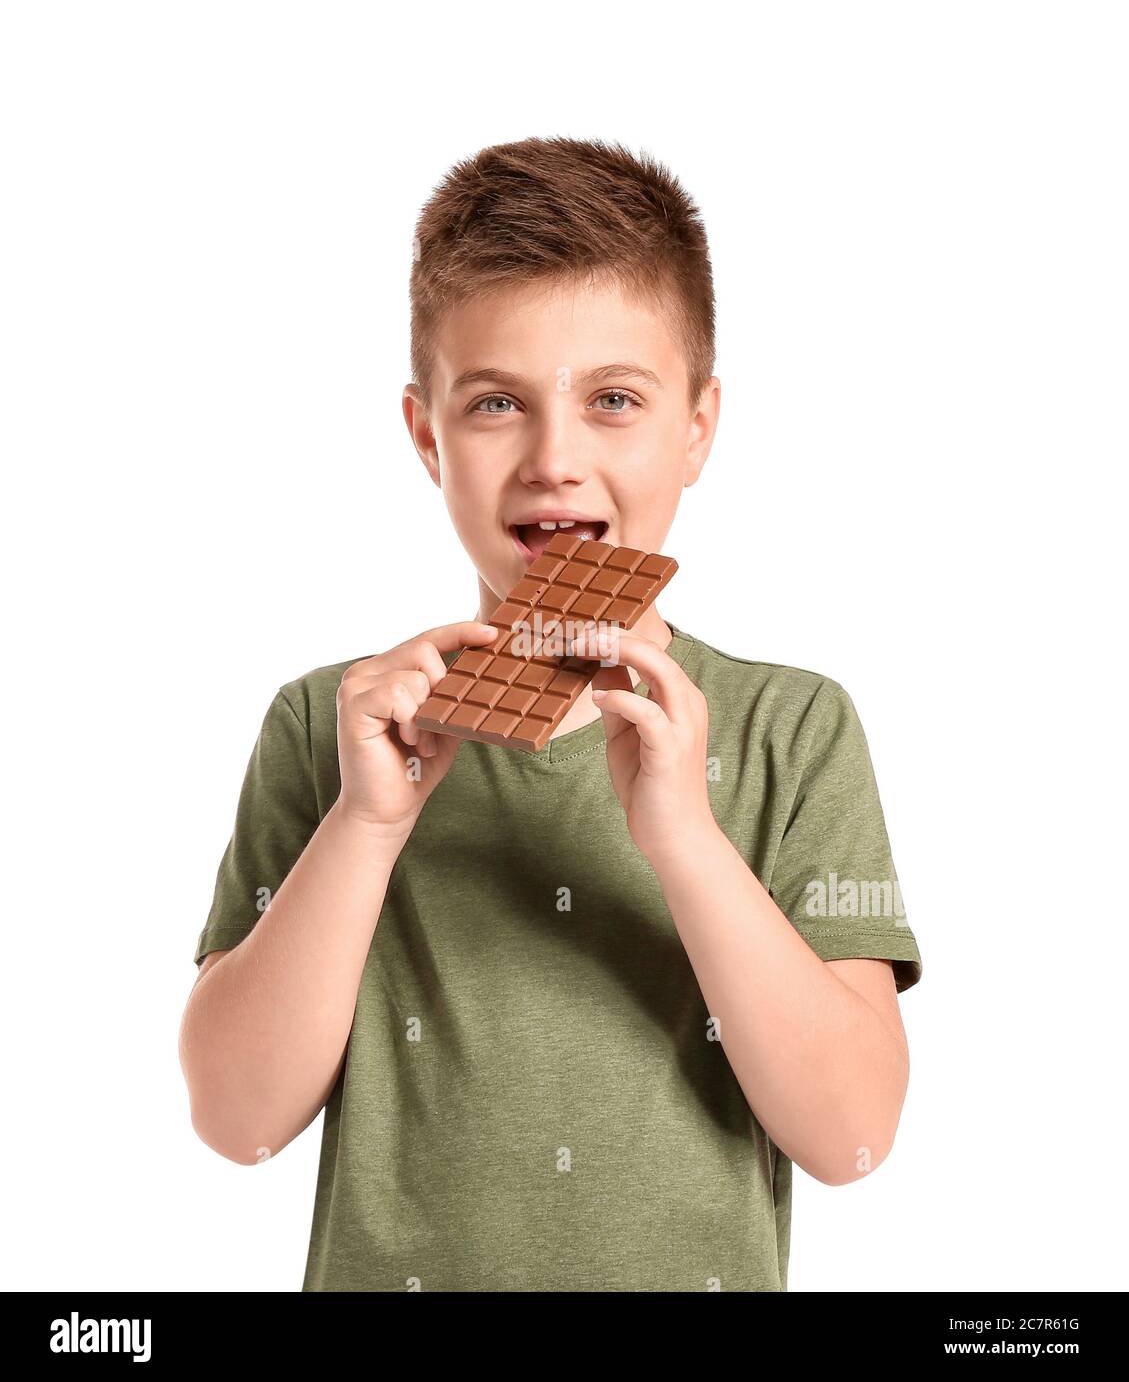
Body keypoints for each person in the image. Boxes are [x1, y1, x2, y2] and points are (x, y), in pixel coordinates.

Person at [179, 135, 923, 1292]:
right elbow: (237, 1121)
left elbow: (850, 1135)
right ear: (427, 435)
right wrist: (366, 827)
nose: (554, 459)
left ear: (698, 426)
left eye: (614, 399)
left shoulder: (793, 727)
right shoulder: (328, 726)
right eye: (494, 405)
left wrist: (684, 839)